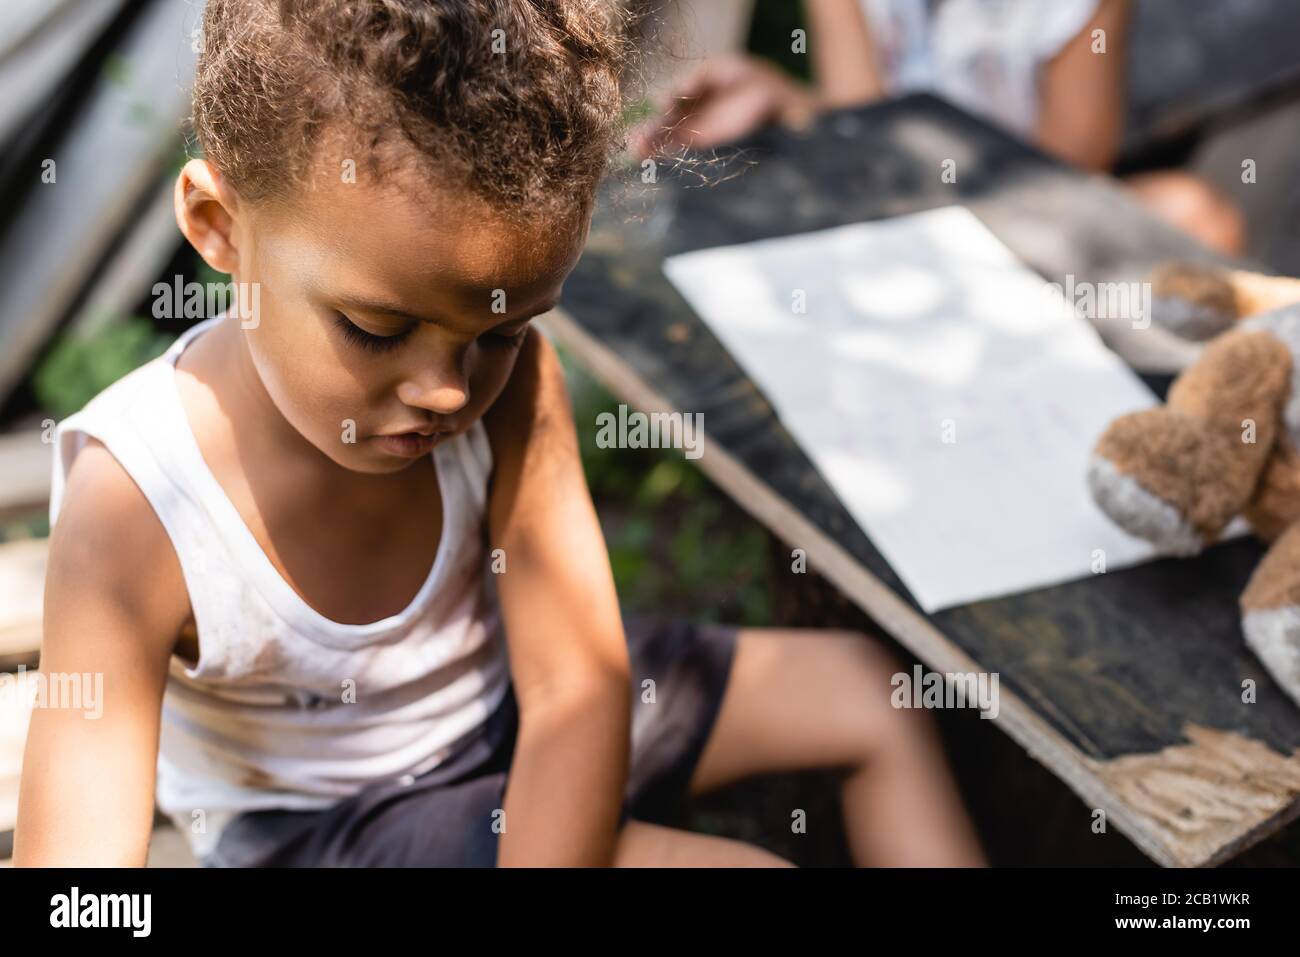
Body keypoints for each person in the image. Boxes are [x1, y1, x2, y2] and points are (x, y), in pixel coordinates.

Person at [14, 0, 986, 868]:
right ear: (219, 227)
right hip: (330, 829)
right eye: (377, 329)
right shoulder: (139, 497)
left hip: (513, 715)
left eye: (501, 328)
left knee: (870, 694)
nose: (445, 389)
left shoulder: (512, 384)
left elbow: (577, 685)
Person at [635, 0, 1245, 257]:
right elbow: (870, 141)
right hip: (896, 206)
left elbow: (1063, 187)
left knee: (1193, 215)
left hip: (1025, 225)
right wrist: (781, 99)